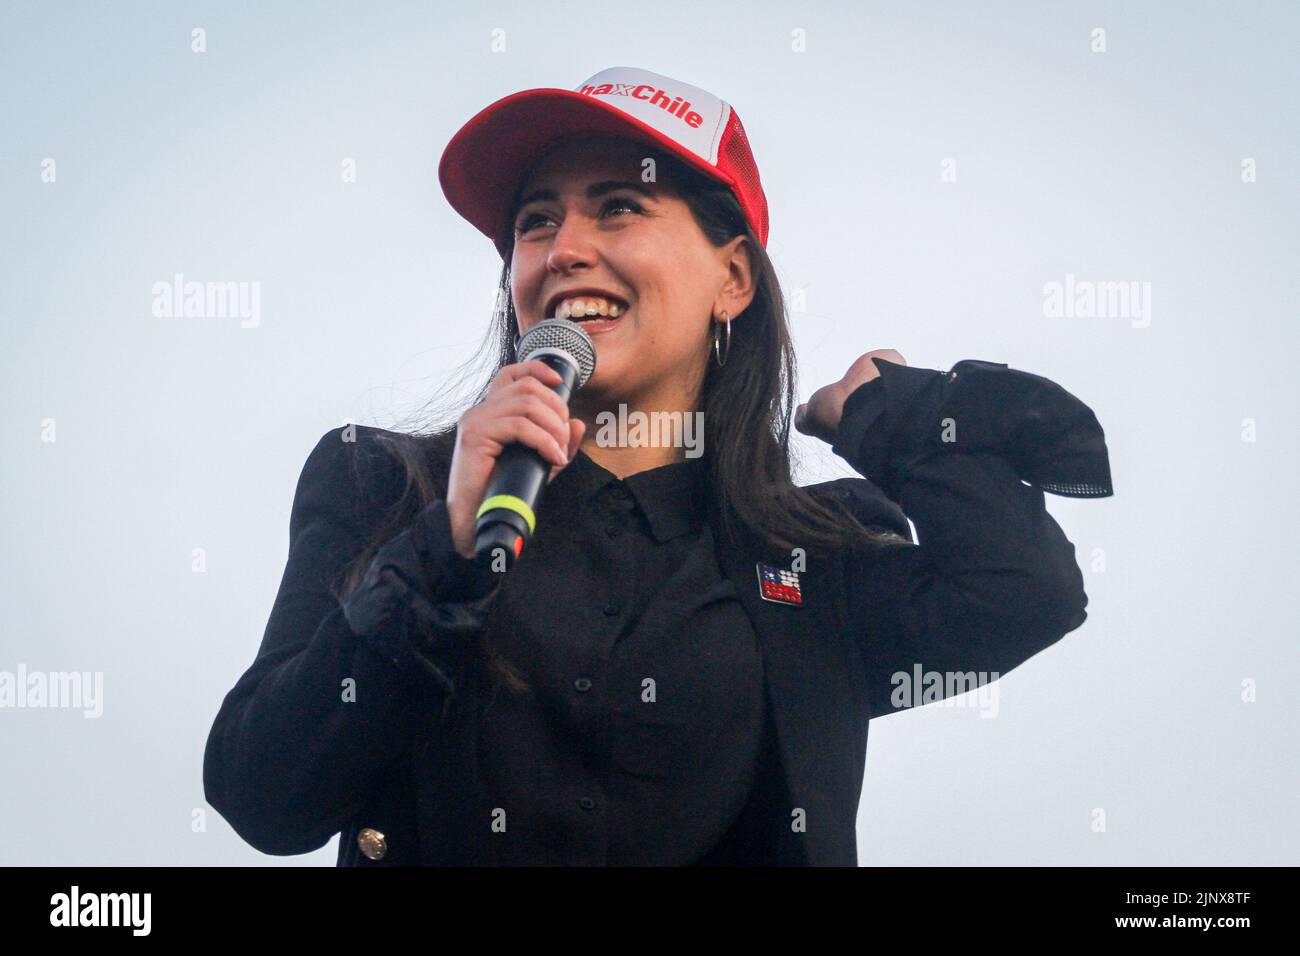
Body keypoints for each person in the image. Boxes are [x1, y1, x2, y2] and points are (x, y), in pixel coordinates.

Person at [202, 66, 1114, 866]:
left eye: (620, 206)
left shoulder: (820, 555)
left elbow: (1023, 594)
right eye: (535, 221)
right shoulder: (382, 487)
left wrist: (890, 415)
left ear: (733, 280)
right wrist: (439, 551)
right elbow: (263, 795)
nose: (563, 250)